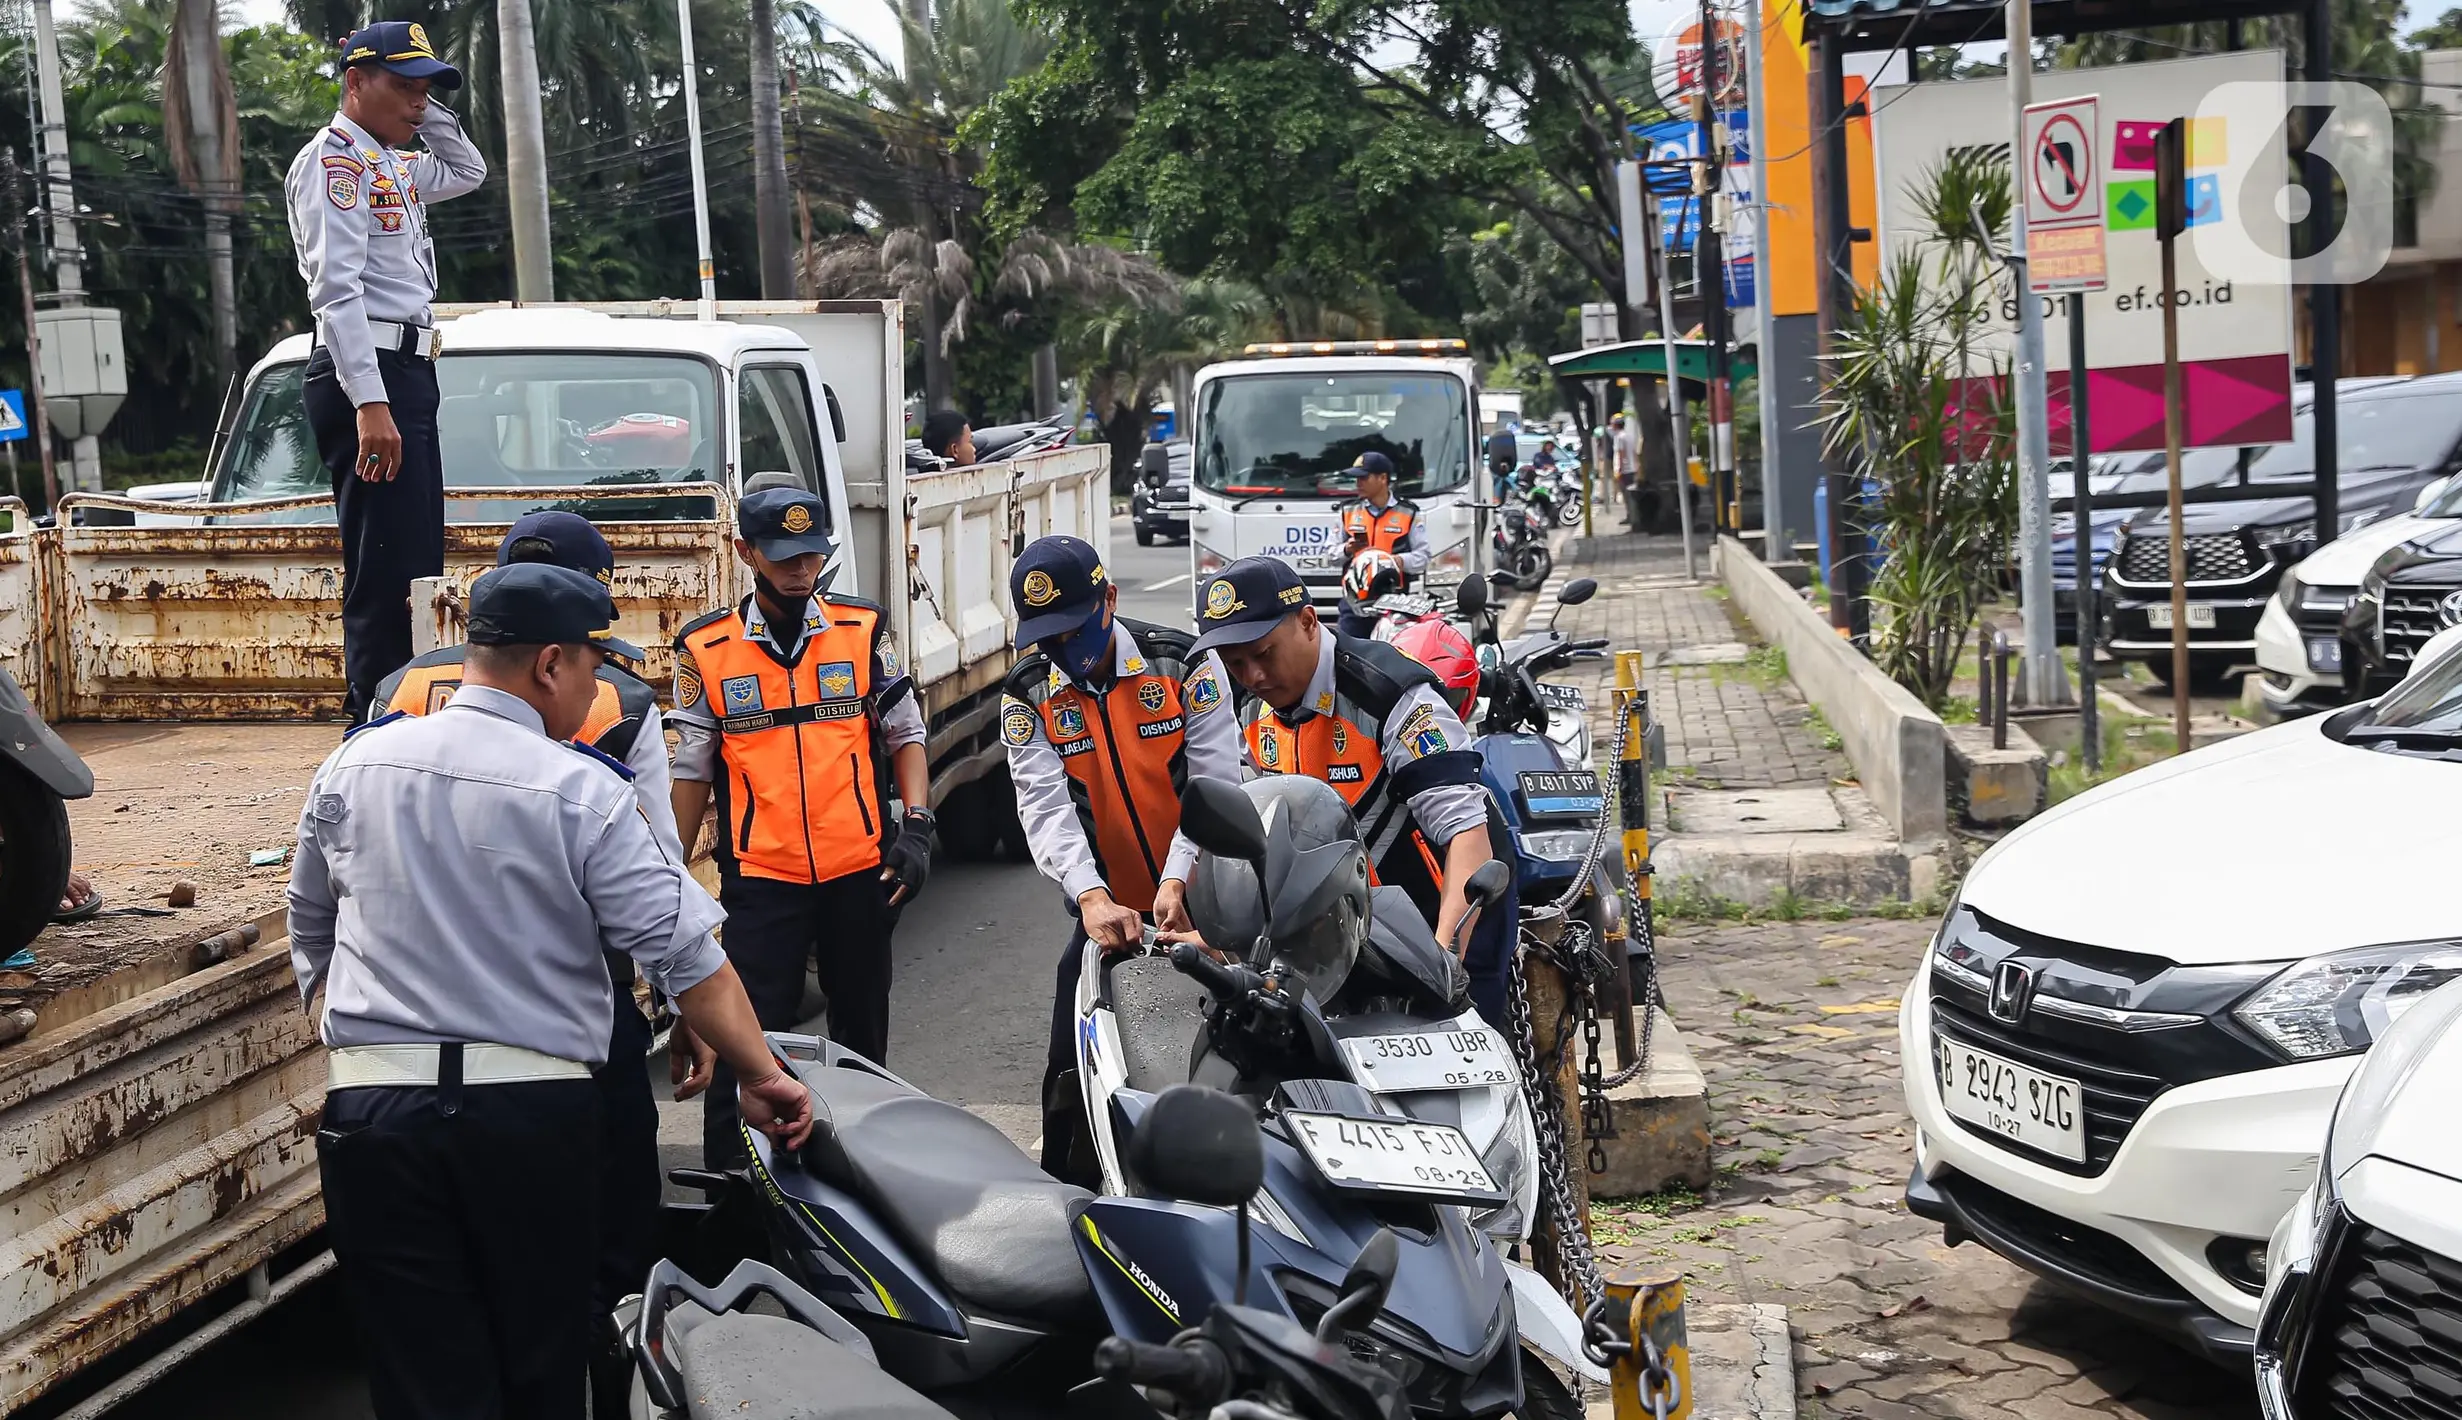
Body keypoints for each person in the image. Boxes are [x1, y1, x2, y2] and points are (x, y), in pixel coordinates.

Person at [288, 561, 813, 1420]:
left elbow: (311, 927)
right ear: (550, 666)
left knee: (418, 1373)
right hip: (527, 1123)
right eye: (593, 666)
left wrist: (360, 1044)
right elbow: (687, 956)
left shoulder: (355, 765)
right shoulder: (580, 790)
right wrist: (763, 1074)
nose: (598, 686)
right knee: (540, 1361)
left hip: (373, 1122)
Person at [364, 510, 693, 1412]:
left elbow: (346, 858)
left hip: (407, 1036)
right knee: (598, 1246)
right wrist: (686, 1001)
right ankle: (606, 1374)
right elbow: (657, 876)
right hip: (566, 1030)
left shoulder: (398, 689)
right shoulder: (617, 699)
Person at [668, 487, 933, 1166]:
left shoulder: (863, 630)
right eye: (784, 557)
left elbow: (905, 734)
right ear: (745, 552)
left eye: (812, 555)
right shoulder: (706, 649)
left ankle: (859, 1176)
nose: (800, 570)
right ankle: (734, 1187)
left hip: (859, 875)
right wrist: (669, 876)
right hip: (762, 882)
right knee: (746, 1041)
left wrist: (918, 826)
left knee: (861, 1043)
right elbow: (694, 772)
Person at [998, 534, 1242, 1184]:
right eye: (1045, 640)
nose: (1061, 652)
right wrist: (1090, 896)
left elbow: (1218, 784)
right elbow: (1044, 807)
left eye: (1072, 632)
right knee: (1069, 1067)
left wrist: (1178, 878)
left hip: (1211, 902)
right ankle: (1068, 1204)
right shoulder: (1028, 694)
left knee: (1233, 1055)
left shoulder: (1183, 663)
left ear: (1108, 601)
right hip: (1110, 913)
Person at [1189, 557, 1519, 1024]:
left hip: (1451, 901)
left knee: (1469, 1053)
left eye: (1263, 654)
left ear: (1307, 622)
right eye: (1234, 663)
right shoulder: (1247, 703)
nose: (1252, 677)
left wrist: (1443, 963)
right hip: (1343, 919)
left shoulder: (1392, 694)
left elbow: (1465, 833)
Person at [285, 21, 488, 726]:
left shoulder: (390, 166)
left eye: (425, 89)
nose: (416, 102)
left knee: (417, 567)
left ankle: (405, 720)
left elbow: (467, 172)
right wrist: (370, 403)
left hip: (405, 369)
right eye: (402, 86)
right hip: (366, 375)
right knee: (384, 570)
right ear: (354, 82)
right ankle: (369, 730)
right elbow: (335, 292)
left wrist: (425, 108)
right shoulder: (335, 165)